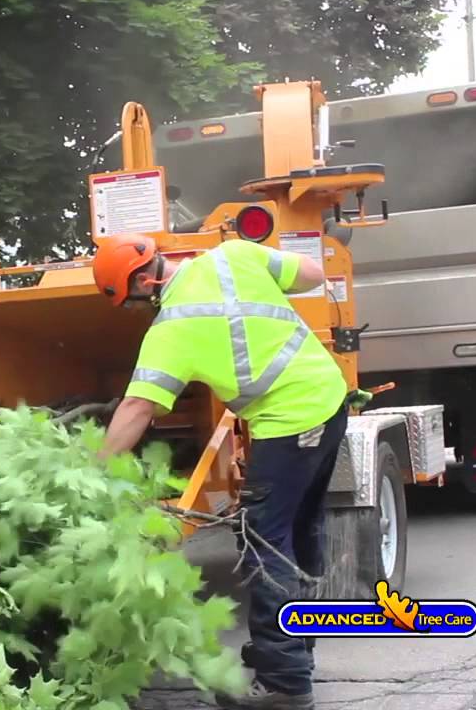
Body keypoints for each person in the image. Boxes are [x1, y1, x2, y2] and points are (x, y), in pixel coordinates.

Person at [93, 233, 349, 710]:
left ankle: (285, 683)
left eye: (132, 302)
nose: (136, 310)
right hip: (330, 400)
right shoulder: (234, 256)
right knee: (299, 530)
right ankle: (293, 648)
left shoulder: (170, 330)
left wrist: (96, 469)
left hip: (289, 421)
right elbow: (312, 274)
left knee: (264, 542)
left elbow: (136, 409)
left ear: (147, 280)